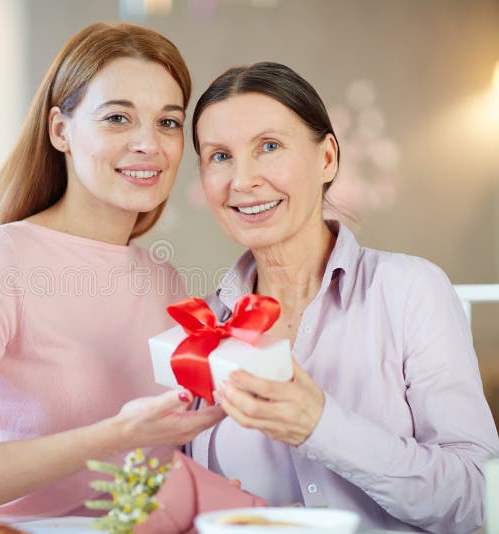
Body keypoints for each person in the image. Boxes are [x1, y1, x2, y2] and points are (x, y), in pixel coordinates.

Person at [0, 23, 225, 519]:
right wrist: (114, 436)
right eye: (117, 118)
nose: (149, 144)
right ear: (60, 130)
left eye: (168, 123)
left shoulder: (165, 281)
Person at [189, 61, 499, 533]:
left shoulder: (409, 292)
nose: (243, 179)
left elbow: (479, 495)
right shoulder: (202, 325)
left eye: (269, 147)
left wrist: (322, 427)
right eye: (219, 156)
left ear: (328, 158)